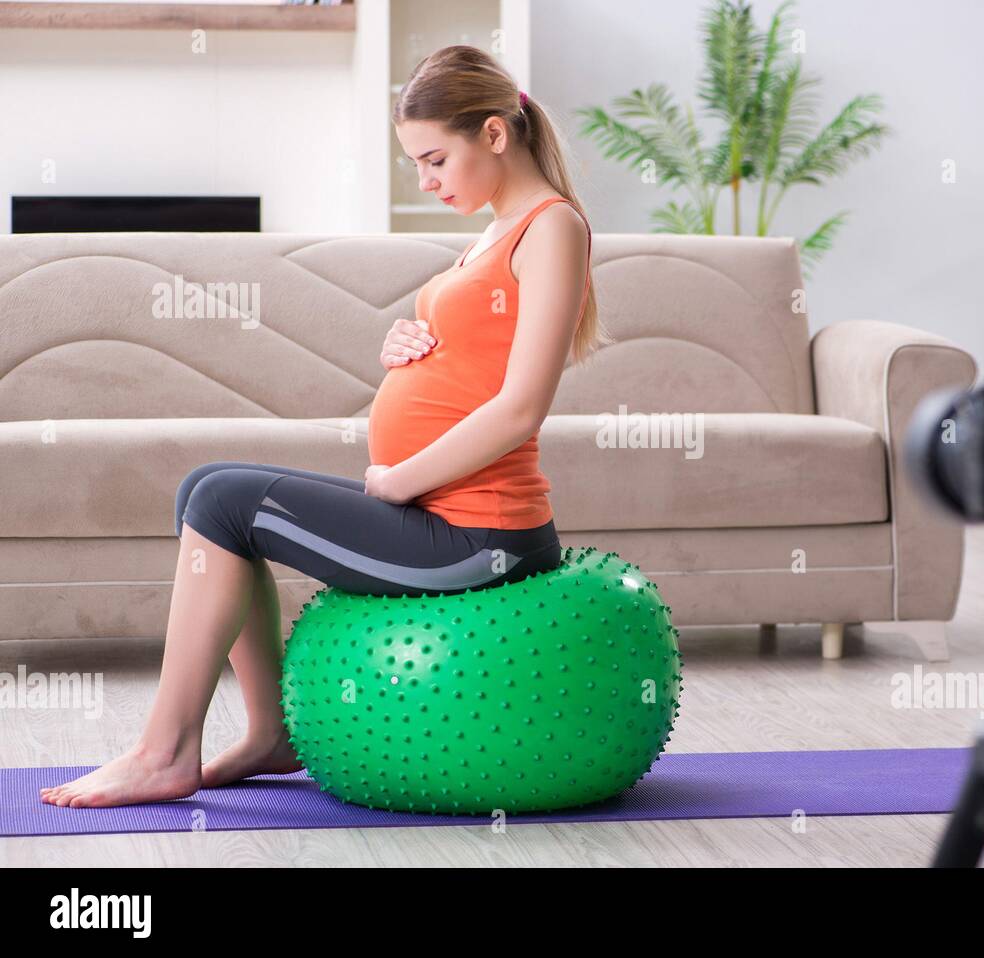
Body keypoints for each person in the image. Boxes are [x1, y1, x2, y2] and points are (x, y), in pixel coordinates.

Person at [40, 45, 610, 808]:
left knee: (224, 504)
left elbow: (520, 408)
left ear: (497, 135)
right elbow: (477, 354)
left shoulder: (552, 228)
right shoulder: (497, 229)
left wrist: (401, 478)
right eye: (416, 164)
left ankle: (164, 751)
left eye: (436, 159)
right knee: (203, 488)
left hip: (482, 536)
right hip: (438, 512)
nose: (426, 180)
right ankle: (270, 734)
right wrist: (408, 346)